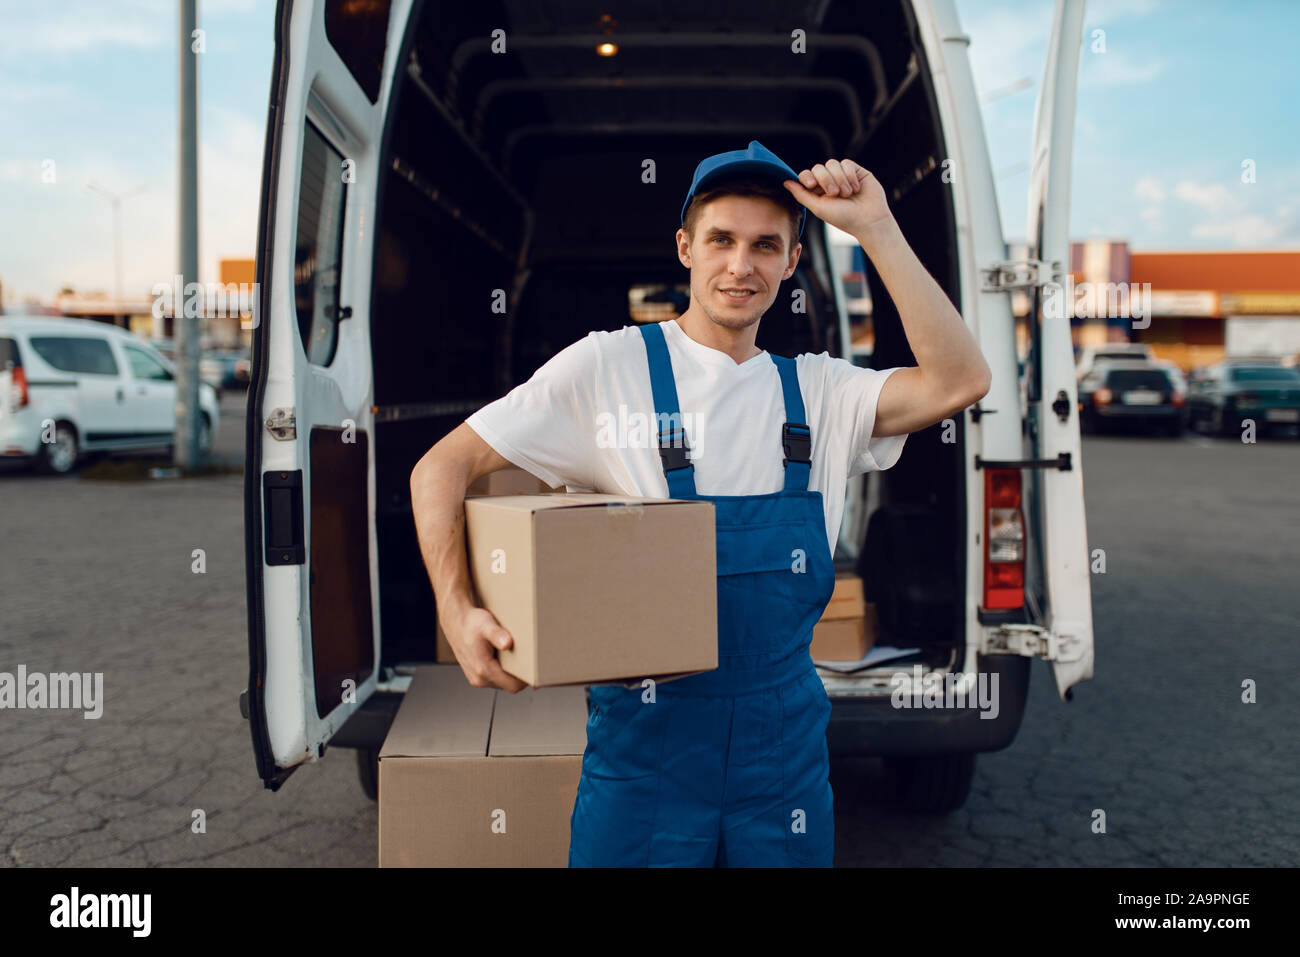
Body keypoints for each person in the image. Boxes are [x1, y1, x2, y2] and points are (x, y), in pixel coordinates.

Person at [410, 140, 991, 867]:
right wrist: (456, 609)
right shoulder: (607, 367)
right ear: (685, 247)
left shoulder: (822, 391)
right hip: (644, 761)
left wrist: (875, 226)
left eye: (765, 245)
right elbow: (441, 465)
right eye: (721, 239)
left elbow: (961, 379)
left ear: (790, 263)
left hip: (783, 761)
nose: (741, 264)